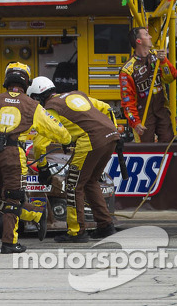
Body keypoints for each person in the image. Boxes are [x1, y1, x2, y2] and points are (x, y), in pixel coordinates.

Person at [0, 63, 70, 254]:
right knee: (13, 198)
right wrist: (67, 139)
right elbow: (55, 128)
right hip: (14, 155)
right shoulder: (32, 105)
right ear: (26, 82)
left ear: (7, 80)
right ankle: (9, 243)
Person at [27, 76, 120, 242]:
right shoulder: (75, 95)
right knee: (90, 182)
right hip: (111, 136)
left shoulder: (49, 109)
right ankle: (105, 225)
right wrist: (115, 132)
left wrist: (43, 168)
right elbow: (106, 108)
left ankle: (76, 231)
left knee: (73, 184)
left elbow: (39, 144)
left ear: (37, 98)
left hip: (91, 141)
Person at [119, 27, 177, 143]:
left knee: (168, 141)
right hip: (143, 114)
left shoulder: (158, 56)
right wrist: (135, 122)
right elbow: (127, 101)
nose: (150, 36)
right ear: (139, 41)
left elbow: (171, 77)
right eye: (146, 34)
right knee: (145, 146)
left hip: (161, 109)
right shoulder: (127, 70)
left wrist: (164, 61)